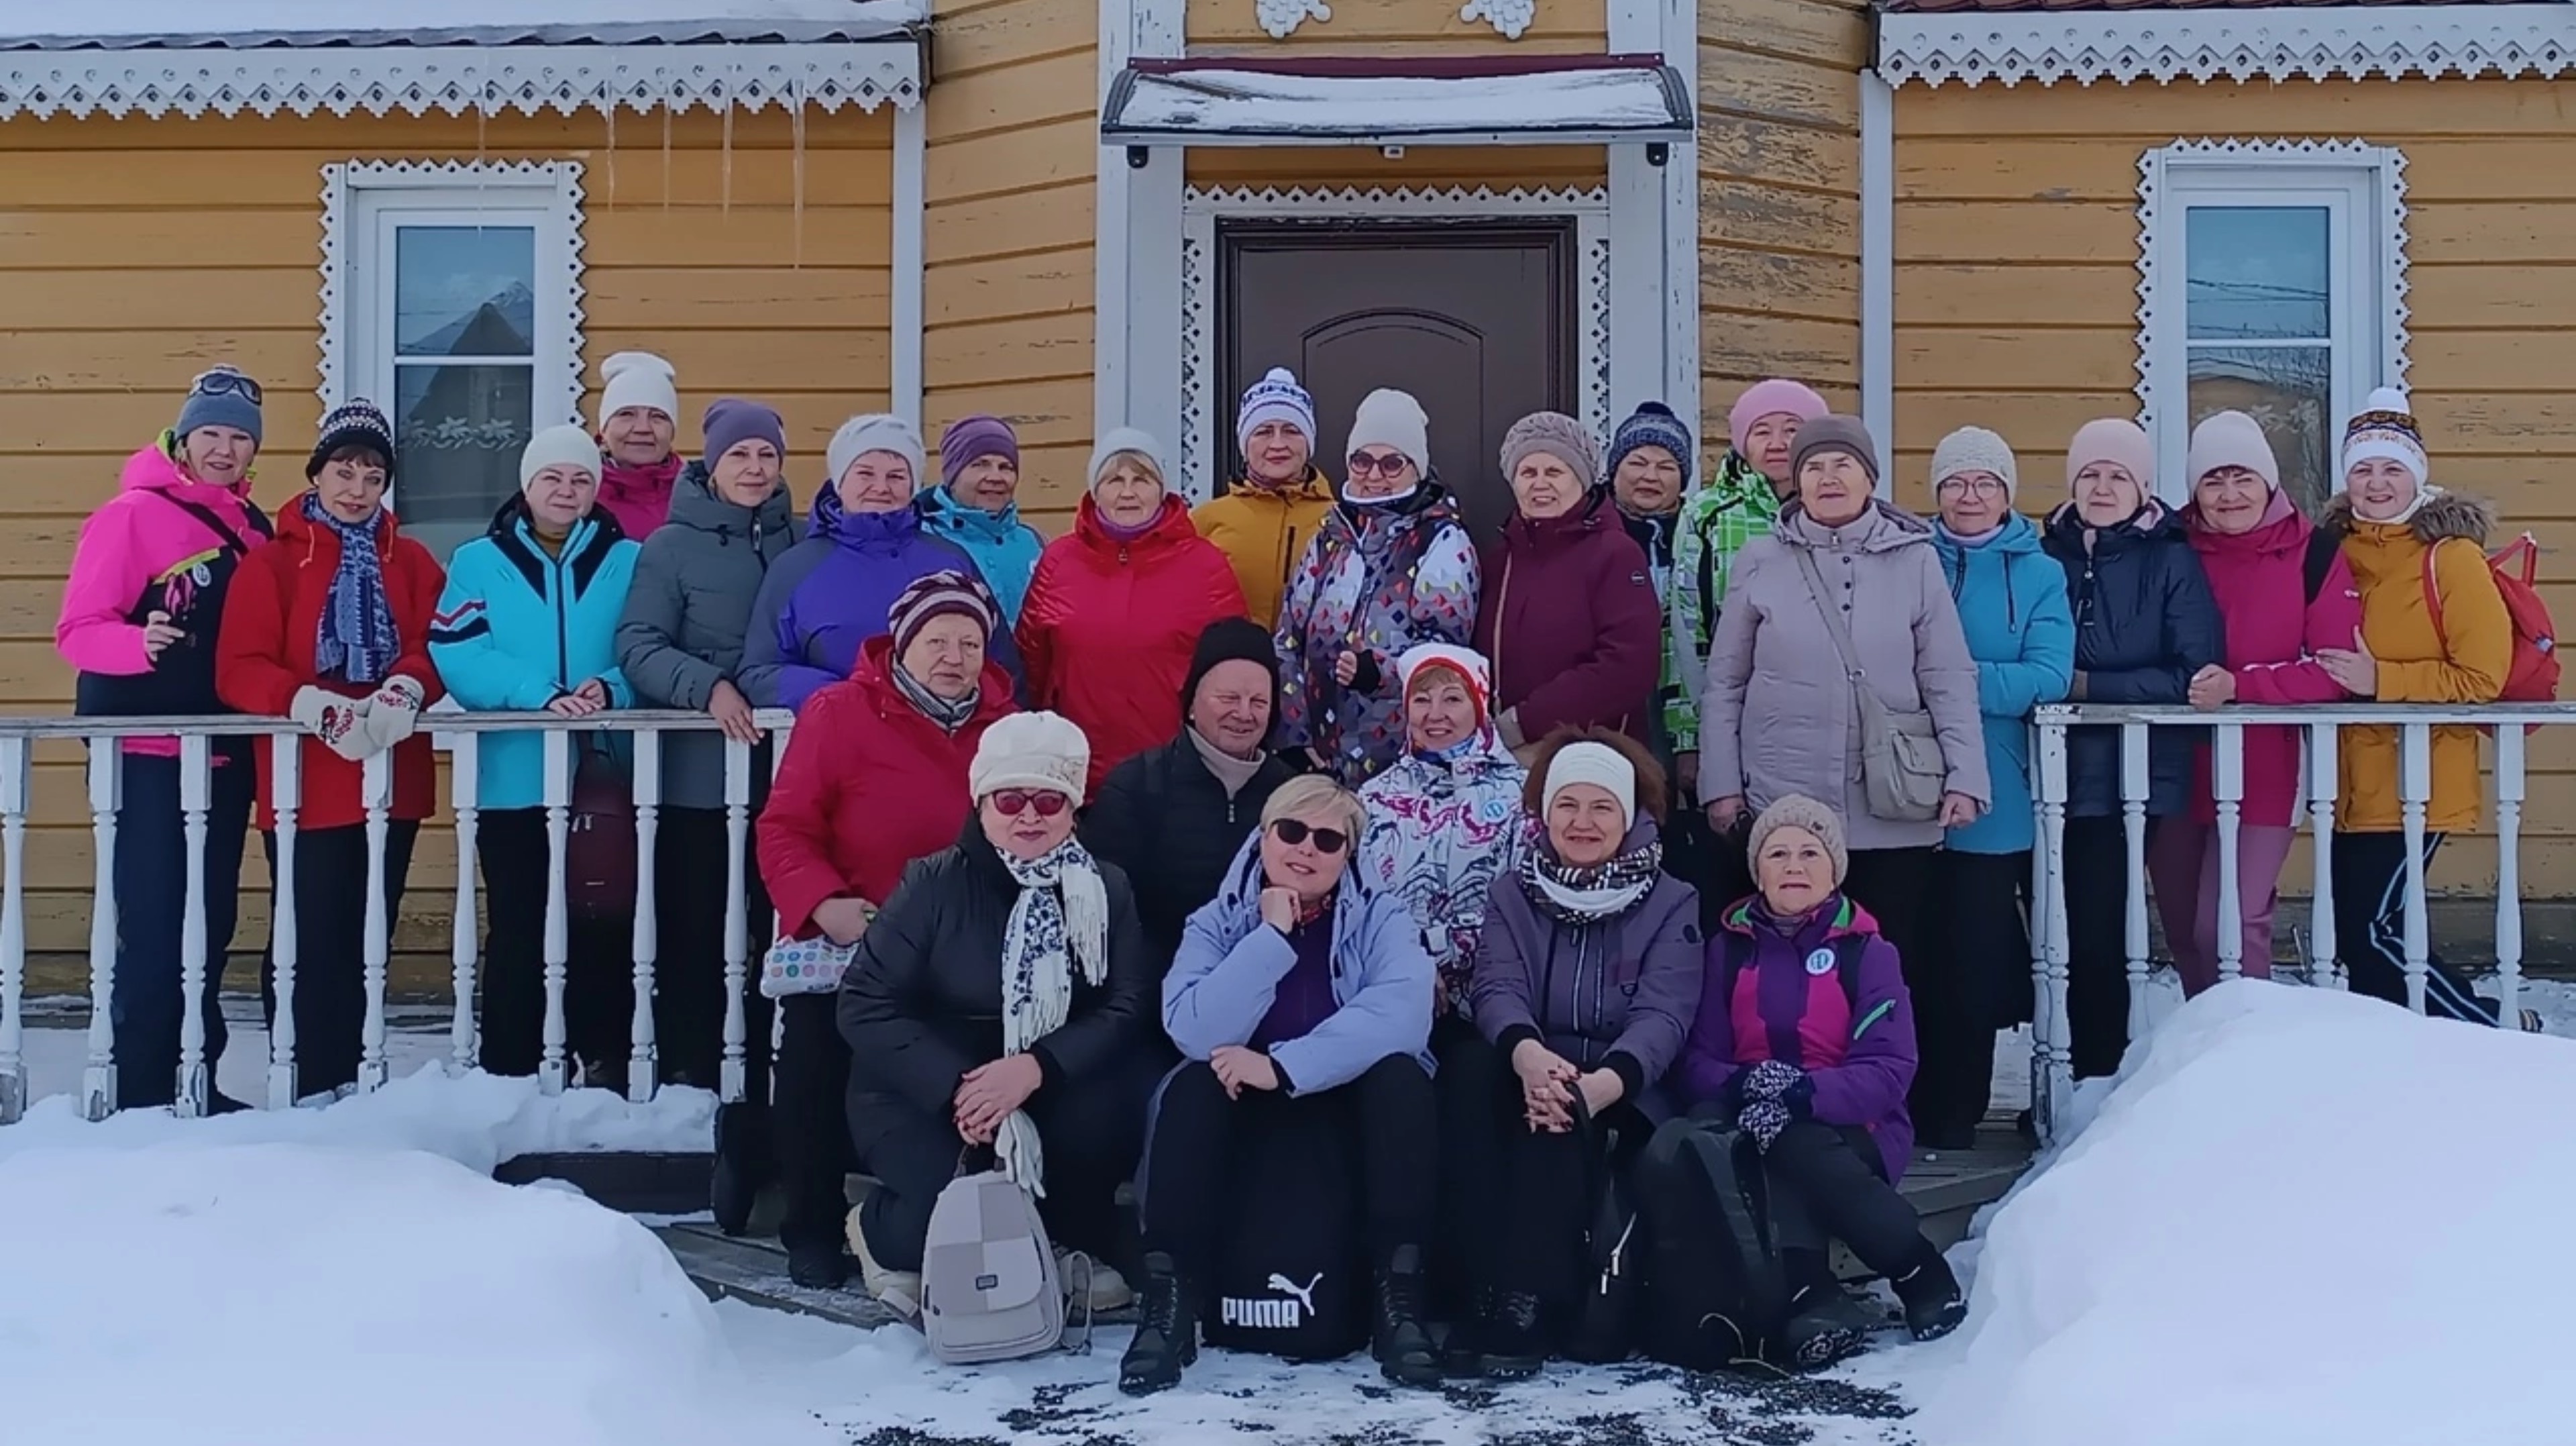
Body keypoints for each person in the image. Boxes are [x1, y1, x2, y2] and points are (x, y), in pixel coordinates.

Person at [1123, 774, 1441, 1395]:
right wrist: (1269, 939)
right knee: (1190, 1086)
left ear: (1349, 854)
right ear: (1263, 836)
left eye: (1328, 839)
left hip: (1339, 1095)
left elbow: (1403, 1013)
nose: (1307, 850)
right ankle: (1170, 1304)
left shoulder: (1384, 916)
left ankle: (1397, 1301)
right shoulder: (1217, 920)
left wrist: (1284, 1066)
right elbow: (1191, 1027)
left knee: (1402, 1080)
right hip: (1240, 1101)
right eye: (1291, 831)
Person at [837, 711, 1159, 1315]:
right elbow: (865, 1002)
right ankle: (878, 1230)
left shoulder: (1105, 889)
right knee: (954, 1206)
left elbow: (1127, 1000)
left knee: (1098, 1121)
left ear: (1073, 809)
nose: (1029, 816)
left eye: (1049, 800)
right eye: (1012, 799)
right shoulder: (932, 883)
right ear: (983, 802)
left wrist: (1037, 1066)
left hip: (1044, 1080)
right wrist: (958, 1088)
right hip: (922, 1089)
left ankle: (1048, 1244)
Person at [758, 572, 1018, 1288]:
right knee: (815, 1058)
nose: (955, 655)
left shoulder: (1008, 728)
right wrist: (824, 903)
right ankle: (810, 1224)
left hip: (963, 950)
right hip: (854, 932)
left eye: (970, 640)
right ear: (903, 643)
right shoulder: (839, 712)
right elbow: (785, 827)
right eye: (938, 639)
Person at [1648, 796, 1964, 1371]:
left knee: (1791, 1138)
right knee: (1756, 1141)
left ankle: (1915, 1266)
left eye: (1809, 853)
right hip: (1747, 1117)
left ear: (1834, 868)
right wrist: (1749, 1086)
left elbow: (1890, 1069)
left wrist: (1799, 1094)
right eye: (1778, 853)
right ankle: (1811, 1300)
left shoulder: (1868, 951)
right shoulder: (1728, 949)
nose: (1794, 865)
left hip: (1855, 1130)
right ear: (1758, 870)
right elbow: (1697, 1061)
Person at [1699, 415, 1987, 996]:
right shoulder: (1760, 560)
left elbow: (1947, 676)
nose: (1828, 478)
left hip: (1890, 804)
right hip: (1785, 806)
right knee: (1782, 978)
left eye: (1843, 465)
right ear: (1797, 481)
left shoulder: (1915, 560)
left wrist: (1966, 775)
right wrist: (1721, 785)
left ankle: (1884, 1087)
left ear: (1869, 477)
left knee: (1885, 969)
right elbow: (1725, 681)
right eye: (1814, 467)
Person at [1444, 729, 1699, 1378]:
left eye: (1601, 808)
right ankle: (1476, 1283)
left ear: (1628, 815)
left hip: (1625, 1083)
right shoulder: (1512, 890)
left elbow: (1664, 1014)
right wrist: (1528, 1055)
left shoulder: (1673, 901)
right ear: (1545, 812)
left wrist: (1595, 1086)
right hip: (1531, 1060)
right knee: (1469, 1075)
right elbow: (1497, 985)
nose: (1582, 823)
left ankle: (1529, 1299)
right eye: (1568, 806)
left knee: (1556, 1117)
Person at [56, 366, 275, 1110]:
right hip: (145, 757)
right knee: (152, 927)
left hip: (223, 754)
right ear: (182, 438)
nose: (224, 448)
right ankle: (139, 1091)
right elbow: (78, 632)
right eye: (210, 432)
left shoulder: (255, 530)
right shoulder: (130, 514)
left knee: (208, 927)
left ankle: (195, 1080)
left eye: (240, 437)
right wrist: (137, 643)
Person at [215, 400, 446, 1100]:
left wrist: (407, 686)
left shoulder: (411, 560)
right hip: (306, 779)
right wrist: (308, 703)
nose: (356, 489)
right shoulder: (274, 563)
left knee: (369, 930)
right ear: (317, 476)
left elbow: (440, 645)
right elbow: (239, 665)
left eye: (372, 477)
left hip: (389, 773)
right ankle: (307, 1077)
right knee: (308, 932)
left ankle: (358, 1074)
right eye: (343, 472)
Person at [616, 398, 796, 1225]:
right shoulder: (669, 546)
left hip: (790, 781)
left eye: (767, 454)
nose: (755, 469)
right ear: (712, 465)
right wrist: (708, 687)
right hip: (697, 780)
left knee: (777, 934)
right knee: (699, 932)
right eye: (741, 456)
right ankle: (695, 1080)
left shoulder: (803, 542)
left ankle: (774, 1079)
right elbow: (640, 644)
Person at [429, 425, 643, 1086]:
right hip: (513, 780)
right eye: (552, 477)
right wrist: (536, 695)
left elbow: (649, 643)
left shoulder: (629, 559)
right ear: (527, 484)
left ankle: (604, 1057)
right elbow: (457, 651)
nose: (566, 490)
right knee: (520, 923)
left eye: (580, 479)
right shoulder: (477, 561)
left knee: (604, 921)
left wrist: (612, 686)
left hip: (604, 780)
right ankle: (511, 1067)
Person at [2318, 389, 2525, 1027]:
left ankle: (2489, 1033)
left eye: (2391, 468)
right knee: (2365, 940)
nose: (2376, 483)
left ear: (2417, 474)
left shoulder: (2452, 558)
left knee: (2372, 931)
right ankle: (2409, 1060)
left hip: (2419, 776)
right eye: (2362, 468)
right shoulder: (2330, 552)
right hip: (2345, 779)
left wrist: (2381, 677)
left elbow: (2481, 676)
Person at [2148, 411, 2361, 1000]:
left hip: (2267, 762)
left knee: (2232, 924)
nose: (2230, 494)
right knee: (2186, 930)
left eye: (2243, 477)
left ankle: (2248, 1056)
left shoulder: (2313, 552)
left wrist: (2242, 687)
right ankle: (2208, 1050)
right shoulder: (2170, 545)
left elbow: (2334, 669)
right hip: (2174, 760)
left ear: (2268, 481)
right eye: (2213, 481)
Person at [2041, 417, 2223, 1078]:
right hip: (2047, 775)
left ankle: (2096, 1078)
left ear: (2143, 486)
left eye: (2118, 475)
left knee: (2099, 936)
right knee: (2049, 932)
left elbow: (2193, 672)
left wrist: (2091, 685)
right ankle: (2054, 1073)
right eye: (2090, 473)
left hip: (2131, 776)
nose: (2102, 485)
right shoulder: (2046, 553)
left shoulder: (2171, 557)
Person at [1917, 427, 2072, 1150]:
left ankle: (1958, 1110)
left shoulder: (2039, 573)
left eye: (1984, 483)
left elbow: (2048, 674)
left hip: (1997, 793)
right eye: (1955, 483)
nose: (1969, 496)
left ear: (2007, 494)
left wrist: (1955, 681)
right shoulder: (1909, 559)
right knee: (1913, 952)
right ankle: (1905, 1102)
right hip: (1907, 786)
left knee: (1976, 959)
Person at [738, 413, 1019, 713]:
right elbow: (759, 672)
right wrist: (844, 696)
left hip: (942, 747)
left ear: (912, 484)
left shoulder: (950, 561)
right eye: (865, 474)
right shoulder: (796, 569)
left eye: (896, 476)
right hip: (841, 741)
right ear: (839, 482)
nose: (881, 488)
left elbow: (1003, 668)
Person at [1019, 429, 1248, 792]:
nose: (1128, 492)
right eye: (1114, 480)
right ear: (1096, 492)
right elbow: (1033, 662)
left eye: (1141, 480)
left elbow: (1235, 667)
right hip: (1076, 773)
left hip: (1173, 774)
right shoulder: (1059, 561)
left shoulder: (1206, 566)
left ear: (1162, 489)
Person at [1274, 389, 1479, 785]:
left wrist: (1380, 671)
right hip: (1320, 756)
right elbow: (1288, 640)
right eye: (1362, 461)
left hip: (1401, 757)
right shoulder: (1329, 537)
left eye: (1391, 464)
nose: (1373, 476)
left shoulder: (1441, 540)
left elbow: (1446, 653)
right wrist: (1295, 739)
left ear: (1416, 469)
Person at [1083, 618, 1299, 974]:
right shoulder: (1136, 786)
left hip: (1265, 986)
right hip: (1154, 990)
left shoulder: (1292, 795)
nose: (1244, 714)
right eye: (1228, 698)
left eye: (1259, 701)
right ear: (1193, 702)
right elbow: (1105, 913)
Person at [1671, 379, 1829, 805]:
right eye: (1762, 431)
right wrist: (1691, 733)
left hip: (1826, 724)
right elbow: (1686, 628)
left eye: (1792, 429)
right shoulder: (1708, 513)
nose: (1777, 443)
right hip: (1735, 719)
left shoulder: (1838, 510)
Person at [1472, 411, 1662, 762]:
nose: (1540, 484)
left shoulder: (1614, 554)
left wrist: (1524, 721)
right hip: (1506, 761)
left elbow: (1629, 665)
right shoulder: (1500, 562)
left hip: (1593, 757)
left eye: (1555, 472)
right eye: (1528, 473)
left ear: (1583, 480)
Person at [1354, 644, 1528, 1020]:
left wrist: (1432, 956)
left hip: (1492, 1001)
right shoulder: (1374, 798)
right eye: (1421, 700)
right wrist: (1406, 967)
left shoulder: (1521, 795)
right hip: (1386, 994)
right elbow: (1357, 904)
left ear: (1479, 705)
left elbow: (1523, 908)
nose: (1436, 715)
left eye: (1452, 699)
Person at [1196, 367, 1336, 630]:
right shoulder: (1206, 520)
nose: (1278, 444)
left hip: (1314, 668)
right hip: (1234, 665)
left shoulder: (1339, 520)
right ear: (1245, 444)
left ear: (1309, 442)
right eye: (1264, 432)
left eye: (1292, 431)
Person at [917, 414, 1044, 625]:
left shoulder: (1034, 542)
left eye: (1006, 467)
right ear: (952, 475)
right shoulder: (922, 539)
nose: (995, 477)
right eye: (980, 465)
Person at [594, 351, 684, 539]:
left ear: (672, 431)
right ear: (604, 430)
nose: (643, 428)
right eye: (626, 414)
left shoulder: (700, 495)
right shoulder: (578, 494)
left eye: (658, 417)